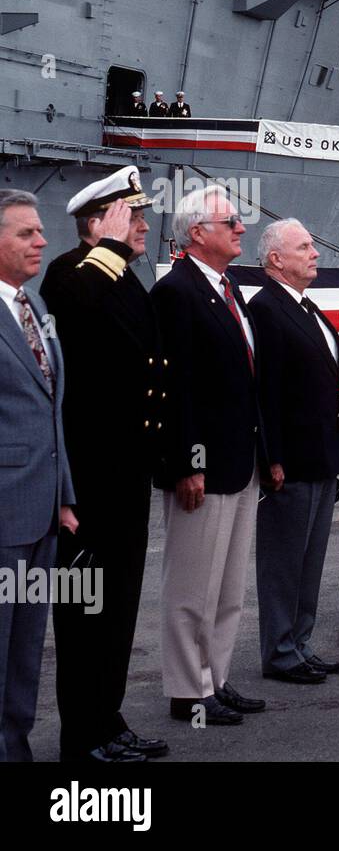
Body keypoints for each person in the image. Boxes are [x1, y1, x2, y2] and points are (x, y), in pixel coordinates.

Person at [39, 166, 168, 763]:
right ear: (98, 222)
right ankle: (81, 739)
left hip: (127, 474)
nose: (143, 225)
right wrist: (111, 247)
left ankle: (108, 720)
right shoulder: (71, 274)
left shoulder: (124, 280)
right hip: (89, 478)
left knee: (118, 604)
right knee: (86, 610)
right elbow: (73, 305)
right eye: (131, 215)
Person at [152, 184, 267, 725]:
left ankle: (215, 678)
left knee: (227, 586)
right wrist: (185, 463)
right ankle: (187, 689)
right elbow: (175, 388)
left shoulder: (227, 288)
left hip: (238, 461)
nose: (241, 228)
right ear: (198, 233)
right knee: (191, 584)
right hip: (203, 464)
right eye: (231, 223)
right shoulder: (176, 293)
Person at [248, 219, 339, 679]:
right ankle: (280, 652)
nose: (315, 253)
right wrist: (271, 457)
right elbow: (265, 392)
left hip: (320, 459)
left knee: (310, 562)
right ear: (276, 260)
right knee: (283, 562)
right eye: (304, 247)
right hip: (290, 462)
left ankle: (299, 644)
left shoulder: (307, 310)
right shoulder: (267, 310)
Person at [0, 189, 78, 761]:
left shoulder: (36, 308)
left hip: (42, 510)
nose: (43, 241)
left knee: (27, 650)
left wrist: (65, 496)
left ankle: (16, 750)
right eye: (27, 233)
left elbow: (53, 410)